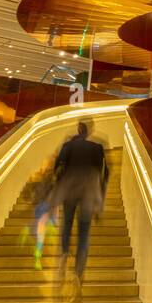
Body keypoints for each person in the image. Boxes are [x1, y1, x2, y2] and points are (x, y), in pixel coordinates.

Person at [52, 121, 108, 293]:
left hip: (70, 190)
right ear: (89, 131)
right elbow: (104, 173)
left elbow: (57, 168)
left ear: (78, 130)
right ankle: (78, 273)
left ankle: (64, 255)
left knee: (67, 224)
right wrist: (101, 199)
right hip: (89, 192)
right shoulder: (97, 148)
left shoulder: (68, 146)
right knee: (84, 233)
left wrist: (59, 189)